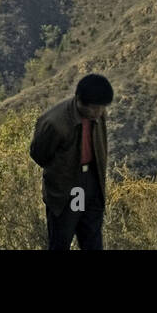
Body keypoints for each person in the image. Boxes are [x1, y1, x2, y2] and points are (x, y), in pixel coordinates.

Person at [29, 73, 113, 250]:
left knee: (92, 239)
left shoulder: (98, 115)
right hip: (66, 186)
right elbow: (39, 154)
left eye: (101, 108)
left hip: (92, 179)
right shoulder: (55, 122)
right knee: (62, 238)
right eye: (94, 108)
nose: (98, 112)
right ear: (79, 101)